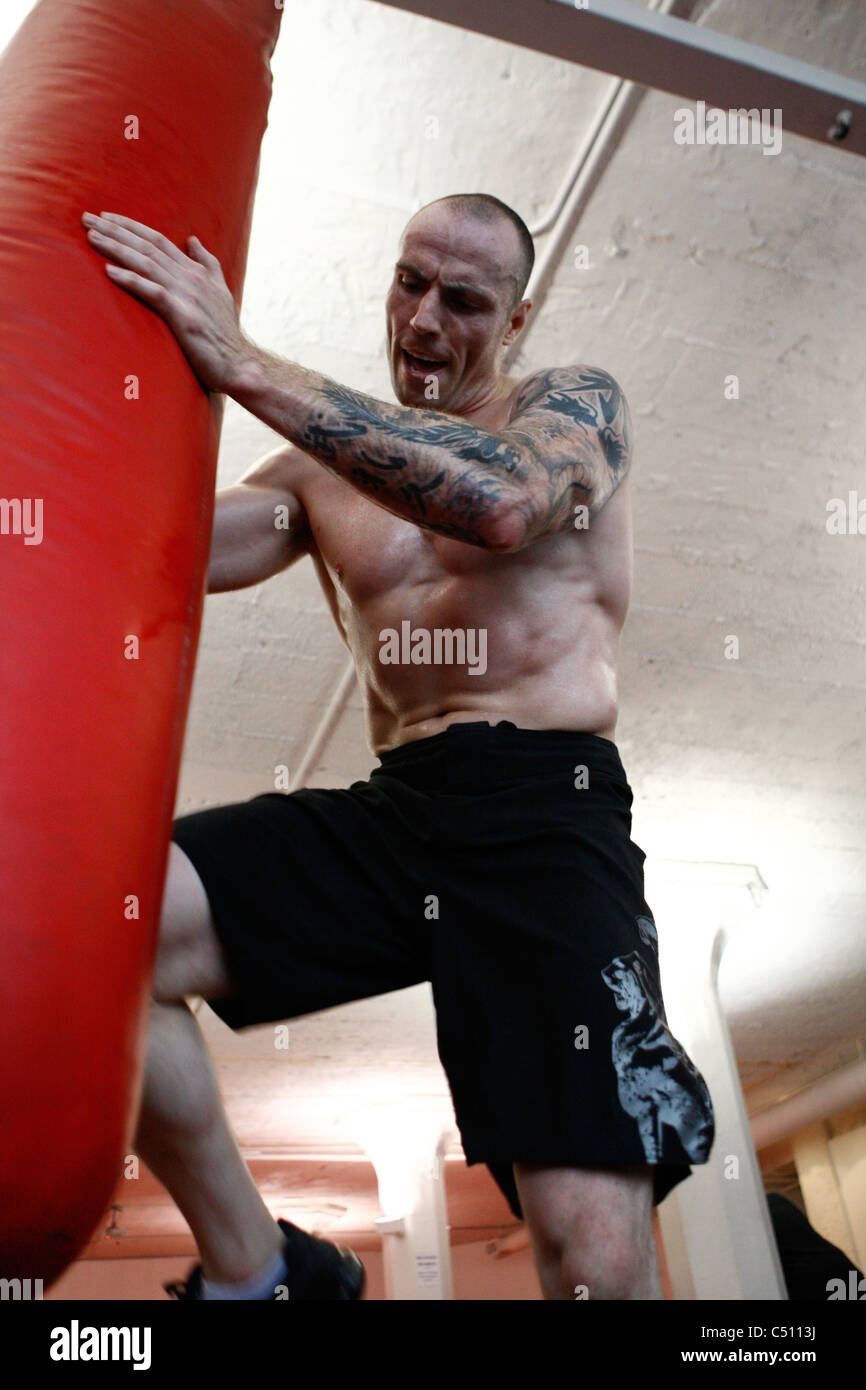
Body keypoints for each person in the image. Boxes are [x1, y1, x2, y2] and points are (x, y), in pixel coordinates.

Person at [81, 192, 715, 1301]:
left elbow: (502, 503)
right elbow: (145, 552)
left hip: (545, 812)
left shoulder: (570, 408)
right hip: (399, 807)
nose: (423, 318)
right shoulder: (320, 471)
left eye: (462, 299)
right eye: (410, 281)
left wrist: (242, 361)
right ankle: (264, 1271)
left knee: (593, 1265)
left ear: (515, 320)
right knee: (106, 933)